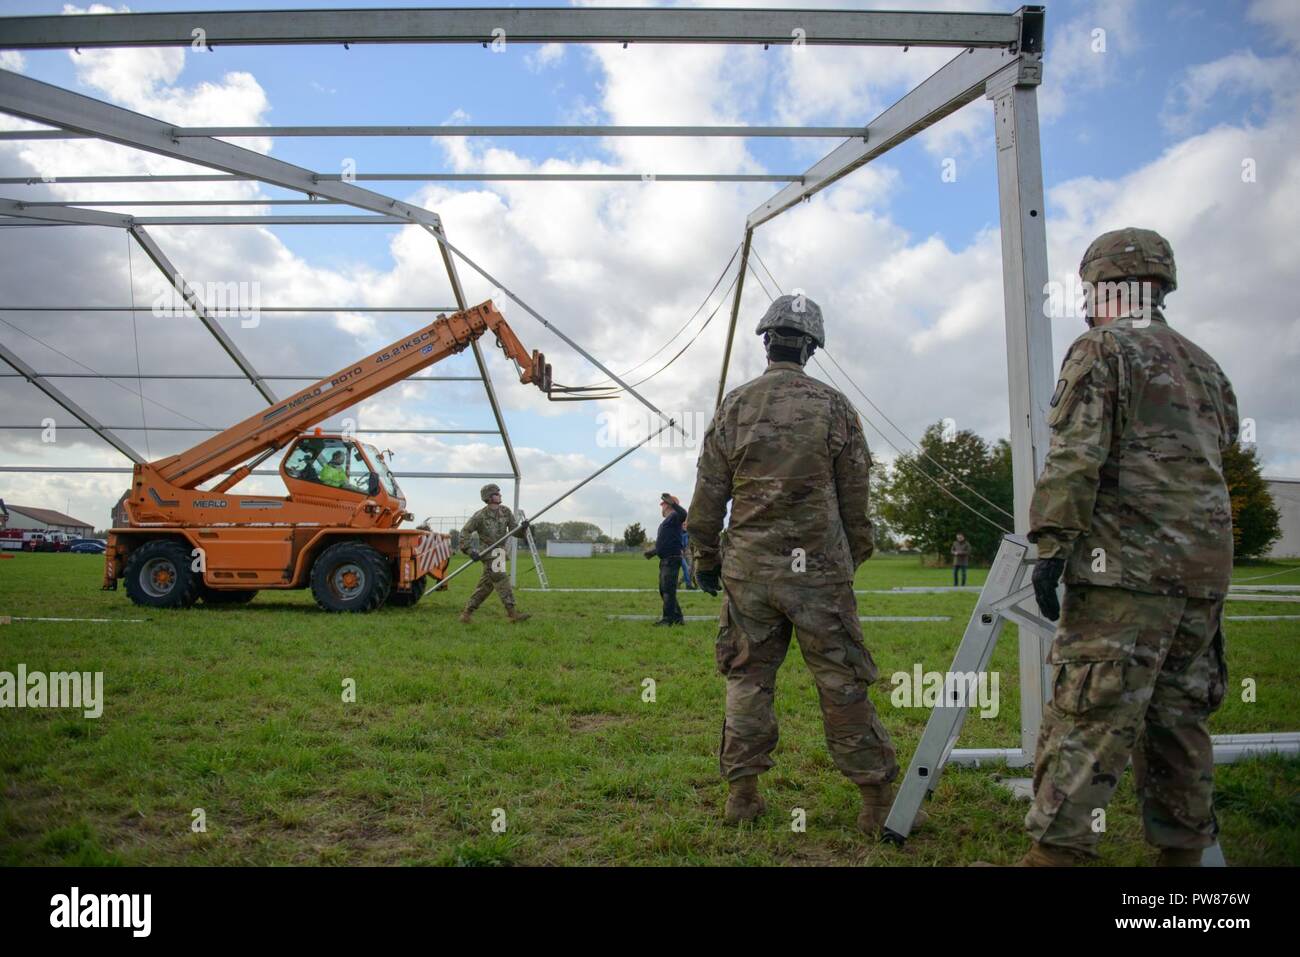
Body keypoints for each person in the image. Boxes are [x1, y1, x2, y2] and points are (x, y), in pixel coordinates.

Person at [1020, 228, 1238, 867]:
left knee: (1091, 714)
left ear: (1099, 287)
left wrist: (1052, 542)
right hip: (1201, 577)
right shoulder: (1205, 364)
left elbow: (1076, 455)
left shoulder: (1102, 348)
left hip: (1126, 576)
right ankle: (1182, 866)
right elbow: (1219, 458)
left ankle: (1056, 857)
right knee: (1180, 720)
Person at [689, 293, 911, 835]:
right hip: (817, 571)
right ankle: (875, 802)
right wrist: (849, 557)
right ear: (811, 346)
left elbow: (708, 493)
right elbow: (856, 495)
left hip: (749, 571)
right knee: (842, 681)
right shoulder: (834, 407)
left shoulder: (734, 405)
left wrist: (707, 555)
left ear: (766, 341)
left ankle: (742, 795)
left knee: (747, 679)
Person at [458, 483, 531, 624]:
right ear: (489, 497)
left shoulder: (506, 511)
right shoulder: (480, 516)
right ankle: (512, 613)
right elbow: (464, 532)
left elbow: (515, 531)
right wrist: (469, 549)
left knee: (486, 586)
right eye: (497, 493)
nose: (500, 495)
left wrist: (524, 529)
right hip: (489, 553)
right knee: (501, 578)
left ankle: (466, 614)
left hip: (500, 552)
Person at [645, 493, 687, 626]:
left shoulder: (675, 516)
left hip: (671, 559)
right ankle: (677, 618)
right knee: (665, 590)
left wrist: (674, 504)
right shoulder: (668, 521)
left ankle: (668, 619)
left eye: (662, 505)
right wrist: (653, 552)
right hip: (666, 559)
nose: (661, 508)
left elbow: (684, 514)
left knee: (668, 590)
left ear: (667, 505)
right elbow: (666, 541)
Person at [679, 524, 696, 590]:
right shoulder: (678, 533)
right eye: (683, 525)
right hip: (679, 553)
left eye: (686, 525)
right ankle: (686, 584)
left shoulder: (688, 534)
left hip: (686, 552)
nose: (685, 526)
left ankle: (687, 584)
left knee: (690, 569)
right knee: (687, 568)